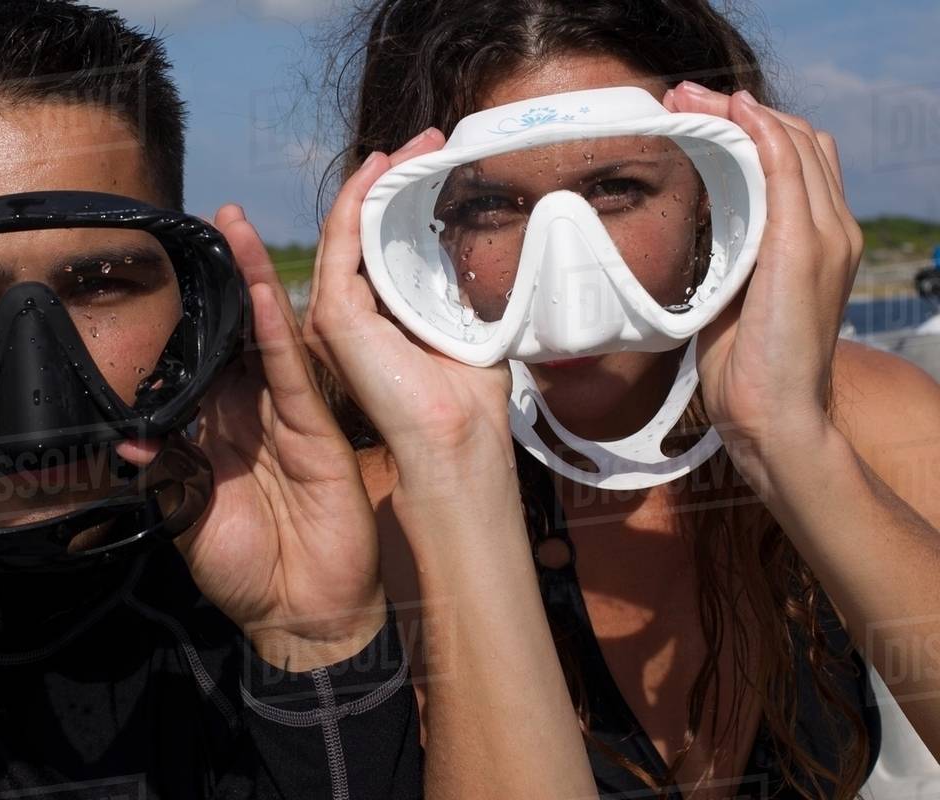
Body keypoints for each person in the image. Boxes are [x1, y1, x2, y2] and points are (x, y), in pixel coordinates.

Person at [0, 2, 425, 797]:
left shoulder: (260, 580)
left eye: (102, 284)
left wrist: (317, 644)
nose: (38, 389)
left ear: (195, 306)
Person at [305, 1, 940, 798]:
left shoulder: (876, 424)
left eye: (615, 188)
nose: (569, 282)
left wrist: (787, 439)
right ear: (412, 230)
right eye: (489, 206)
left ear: (720, 191)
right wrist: (456, 470)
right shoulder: (373, 527)